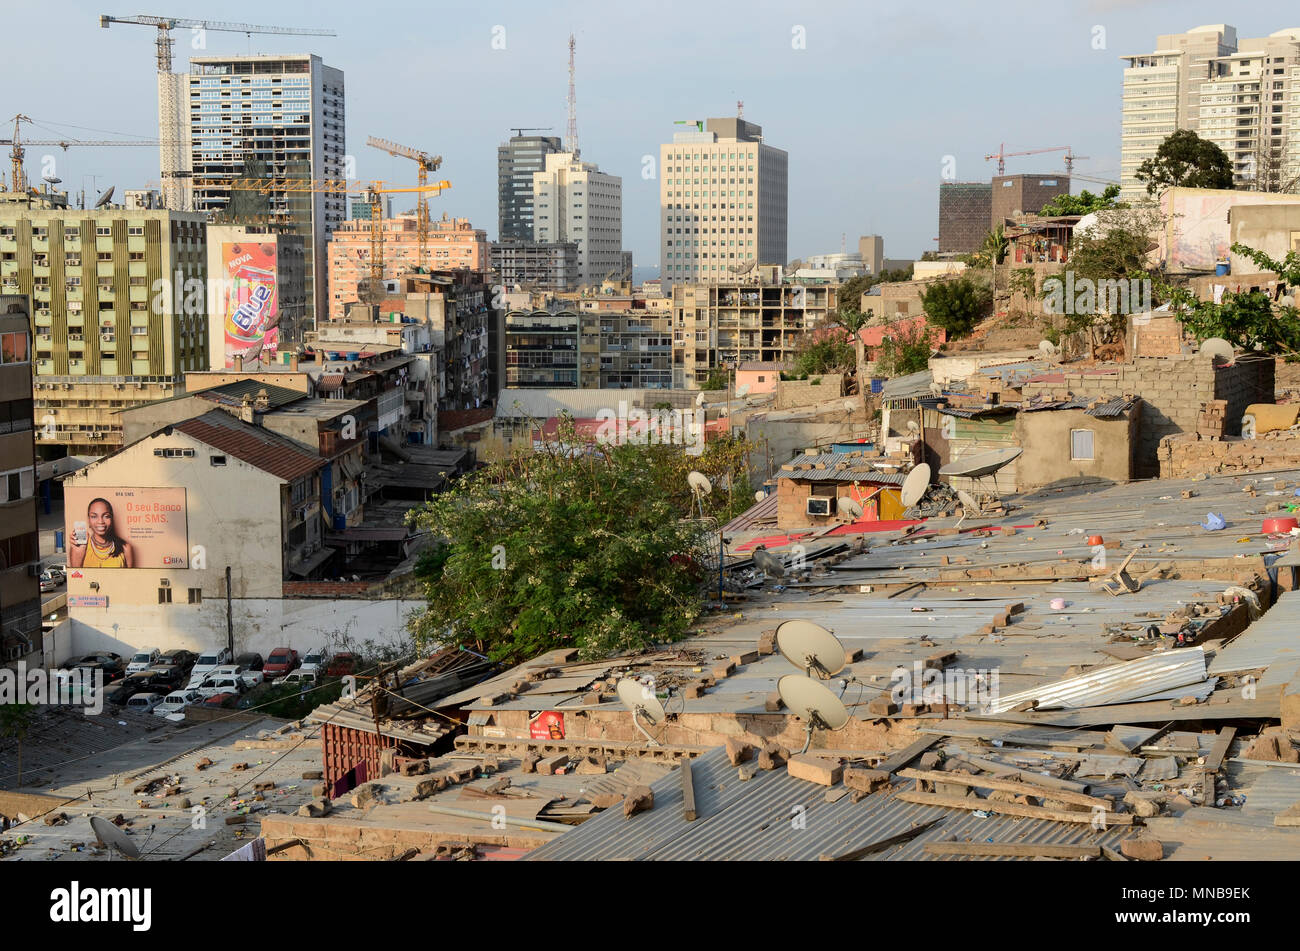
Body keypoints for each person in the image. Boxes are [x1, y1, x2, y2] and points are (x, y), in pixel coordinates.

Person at [69, 498, 134, 569]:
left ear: (112, 519)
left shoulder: (126, 548)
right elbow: (76, 578)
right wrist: (78, 553)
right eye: (94, 516)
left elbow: (129, 579)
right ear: (89, 520)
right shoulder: (80, 545)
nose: (100, 521)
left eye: (106, 516)